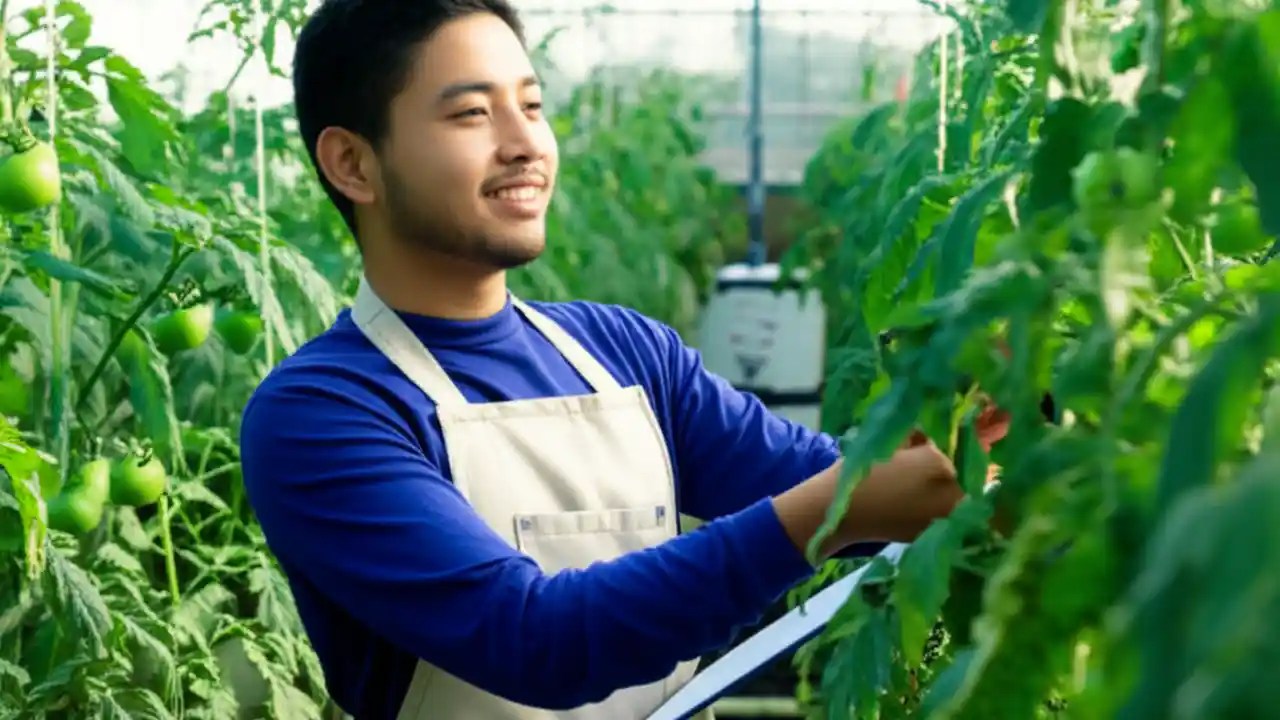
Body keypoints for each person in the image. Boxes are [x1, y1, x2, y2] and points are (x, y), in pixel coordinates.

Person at [237, 1, 1009, 719]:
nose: (524, 144)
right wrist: (842, 504)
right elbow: (535, 640)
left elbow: (829, 477)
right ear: (352, 164)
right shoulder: (323, 412)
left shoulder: (625, 350)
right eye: (473, 113)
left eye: (532, 106)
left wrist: (979, 432)